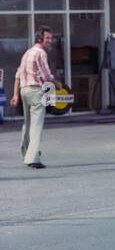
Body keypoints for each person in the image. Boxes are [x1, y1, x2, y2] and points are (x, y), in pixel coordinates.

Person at [10, 26, 62, 169]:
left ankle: (26, 153)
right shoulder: (41, 53)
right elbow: (47, 76)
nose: (50, 41)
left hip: (24, 91)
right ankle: (33, 159)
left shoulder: (26, 53)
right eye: (47, 38)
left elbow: (18, 75)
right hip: (36, 91)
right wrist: (58, 84)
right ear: (39, 38)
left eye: (51, 38)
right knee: (36, 126)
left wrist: (15, 95)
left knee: (27, 125)